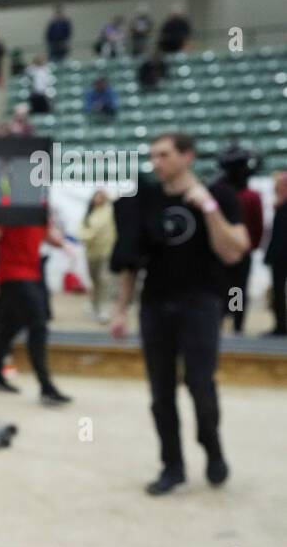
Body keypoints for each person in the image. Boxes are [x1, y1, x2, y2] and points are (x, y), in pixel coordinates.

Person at [110, 133, 250, 495]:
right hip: (155, 304)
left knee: (200, 385)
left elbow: (234, 250)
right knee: (160, 392)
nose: (156, 162)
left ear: (187, 156)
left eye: (165, 155)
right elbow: (131, 261)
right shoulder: (147, 200)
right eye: (153, 156)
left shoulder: (219, 196)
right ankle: (172, 465)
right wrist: (121, 309)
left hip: (200, 303)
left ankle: (212, 448)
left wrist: (208, 210)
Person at [0, 216, 73, 404]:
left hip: (32, 273)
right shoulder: (12, 205)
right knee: (38, 325)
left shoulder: (39, 207)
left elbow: (45, 233)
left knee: (10, 325)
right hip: (14, 275)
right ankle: (46, 386)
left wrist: (63, 245)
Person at [212, 146, 262, 334]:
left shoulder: (246, 196)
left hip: (230, 251)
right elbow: (257, 228)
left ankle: (233, 321)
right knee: (235, 289)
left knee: (234, 289)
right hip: (232, 251)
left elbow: (256, 227)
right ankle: (234, 322)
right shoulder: (248, 196)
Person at [81, 189, 117, 323]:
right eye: (97, 196)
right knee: (95, 280)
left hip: (106, 252)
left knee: (104, 279)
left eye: (102, 196)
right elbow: (82, 230)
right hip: (91, 253)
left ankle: (103, 309)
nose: (99, 199)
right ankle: (94, 304)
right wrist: (89, 236)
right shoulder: (89, 213)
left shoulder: (109, 211)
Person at [265, 171, 287, 336]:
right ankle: (280, 325)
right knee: (278, 293)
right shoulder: (279, 206)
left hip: (281, 256)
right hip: (278, 258)